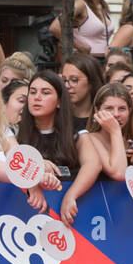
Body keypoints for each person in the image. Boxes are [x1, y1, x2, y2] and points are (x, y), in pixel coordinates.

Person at [17, 71, 94, 216]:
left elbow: (93, 164)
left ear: (59, 101)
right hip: (27, 209)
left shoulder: (75, 130)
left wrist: (71, 196)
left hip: (69, 211)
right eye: (32, 92)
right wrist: (36, 165)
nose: (37, 98)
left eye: (45, 93)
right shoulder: (15, 131)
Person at [60, 52, 104, 132]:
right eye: (63, 80)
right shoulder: (58, 116)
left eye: (74, 80)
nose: (67, 85)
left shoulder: (103, 118)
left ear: (91, 82)